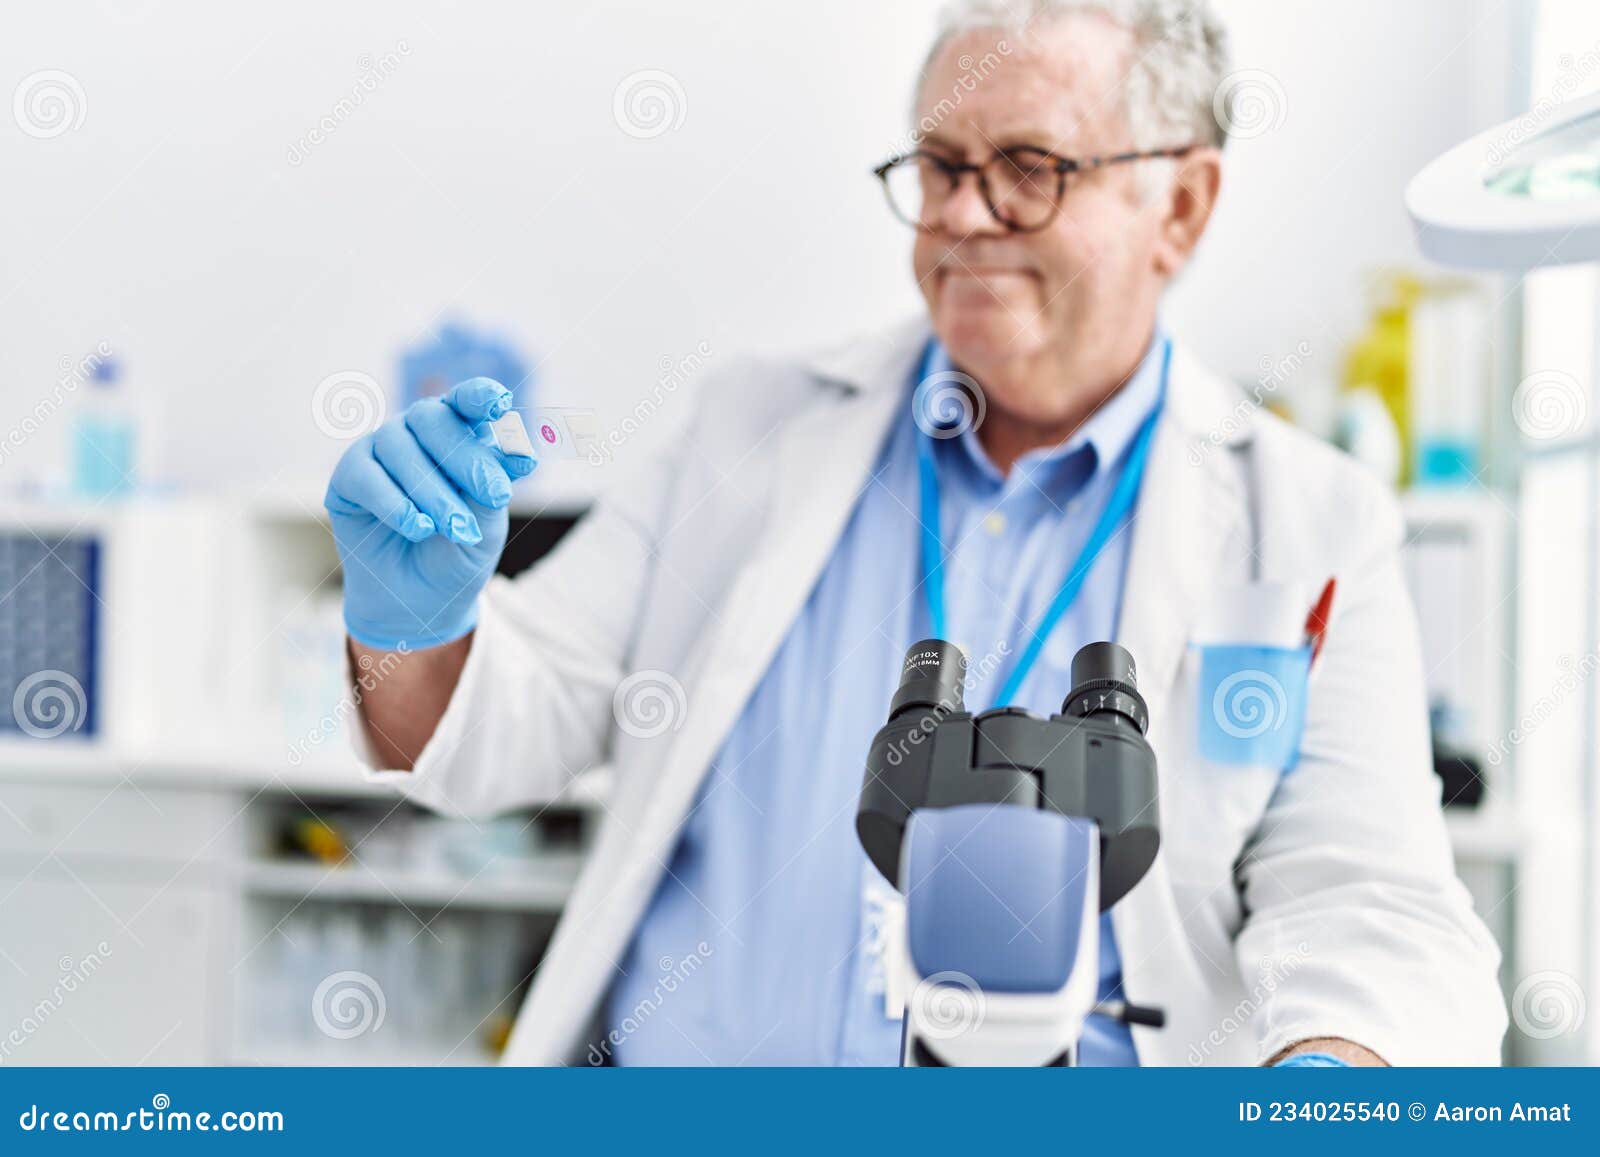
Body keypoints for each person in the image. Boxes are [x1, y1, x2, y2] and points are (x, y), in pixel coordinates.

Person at [325, 0, 1506, 1066]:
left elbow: (1370, 902)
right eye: (938, 166)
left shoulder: (1310, 523)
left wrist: (1329, 1082)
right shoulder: (751, 428)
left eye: (1028, 170)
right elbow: (509, 726)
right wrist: (414, 627)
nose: (959, 216)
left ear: (1179, 205)